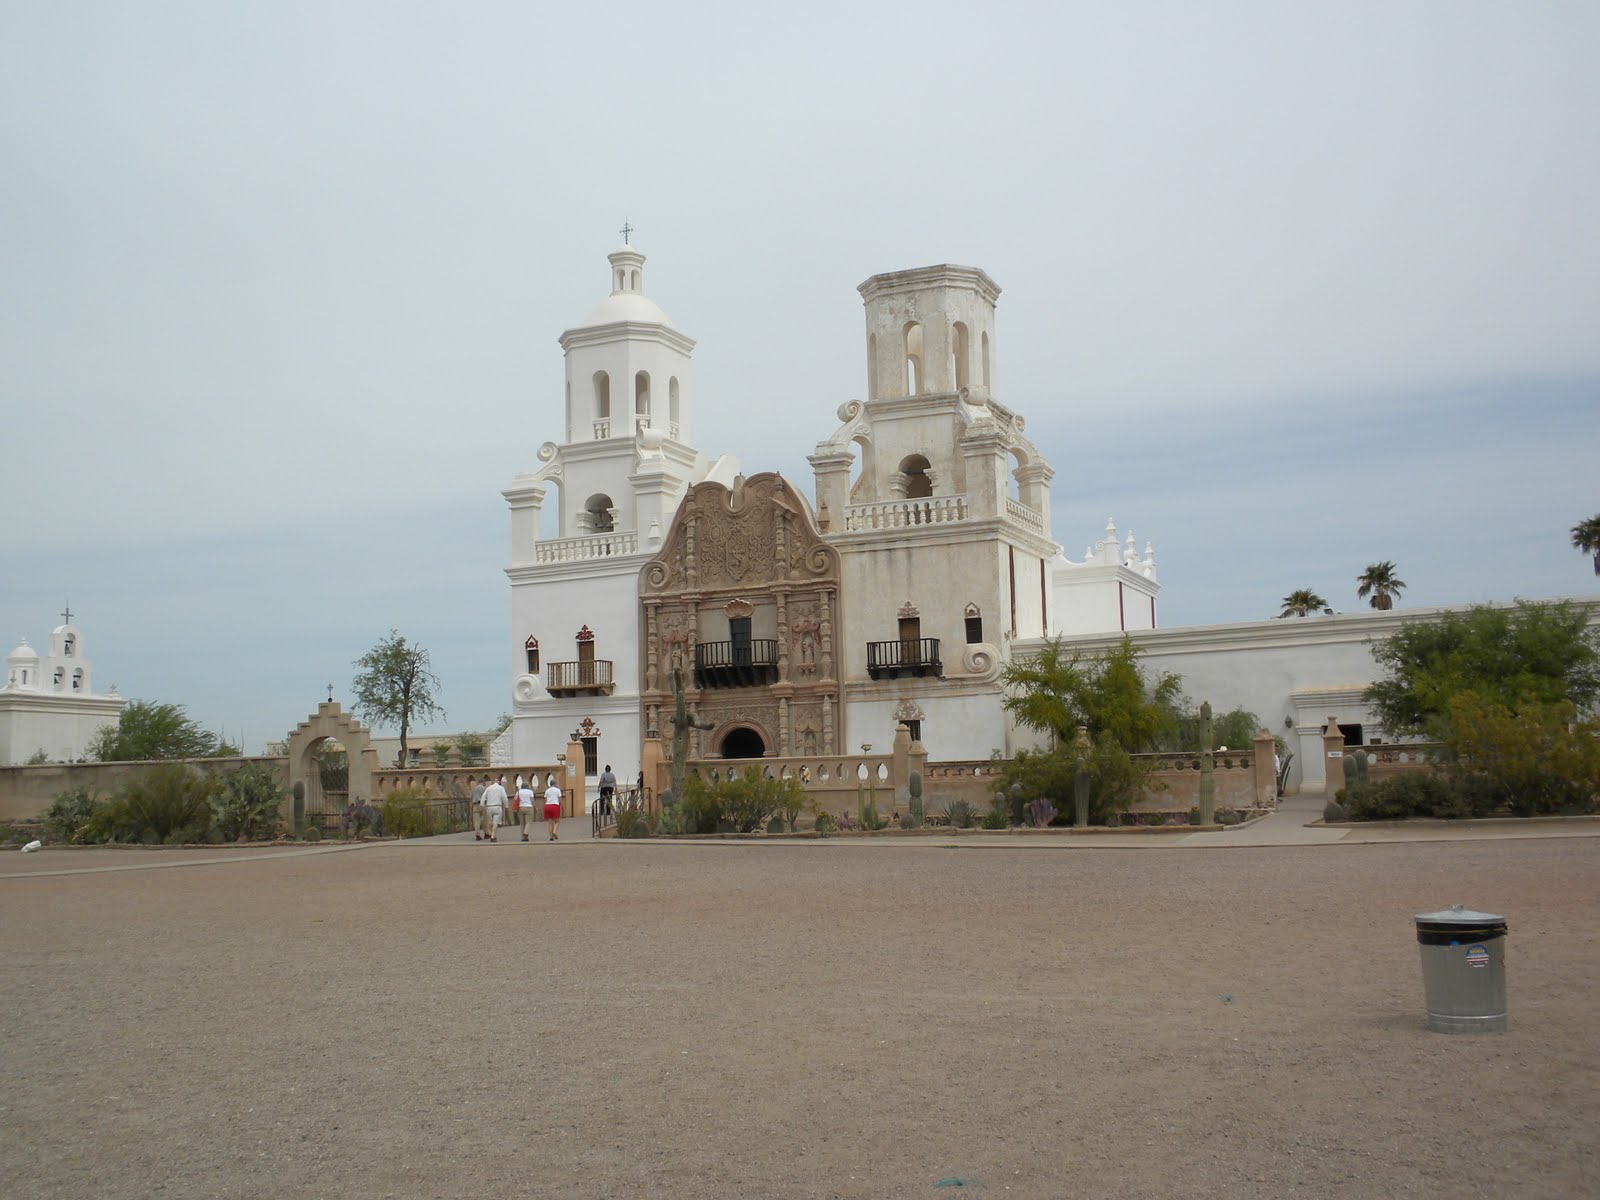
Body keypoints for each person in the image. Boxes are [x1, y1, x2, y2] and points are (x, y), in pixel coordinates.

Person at [481, 775, 508, 843]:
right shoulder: (501, 788)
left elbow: (483, 797)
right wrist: (506, 805)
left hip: (489, 807)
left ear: (493, 782)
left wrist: (482, 805)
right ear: (499, 782)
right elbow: (504, 797)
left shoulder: (488, 788)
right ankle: (493, 835)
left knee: (490, 822)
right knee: (495, 822)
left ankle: (491, 834)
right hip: (497, 806)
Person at [471, 775, 487, 841]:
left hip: (475, 805)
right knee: (485, 820)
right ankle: (486, 833)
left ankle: (477, 834)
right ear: (483, 782)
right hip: (482, 805)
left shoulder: (474, 788)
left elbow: (472, 797)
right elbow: (486, 797)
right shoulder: (484, 788)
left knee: (476, 821)